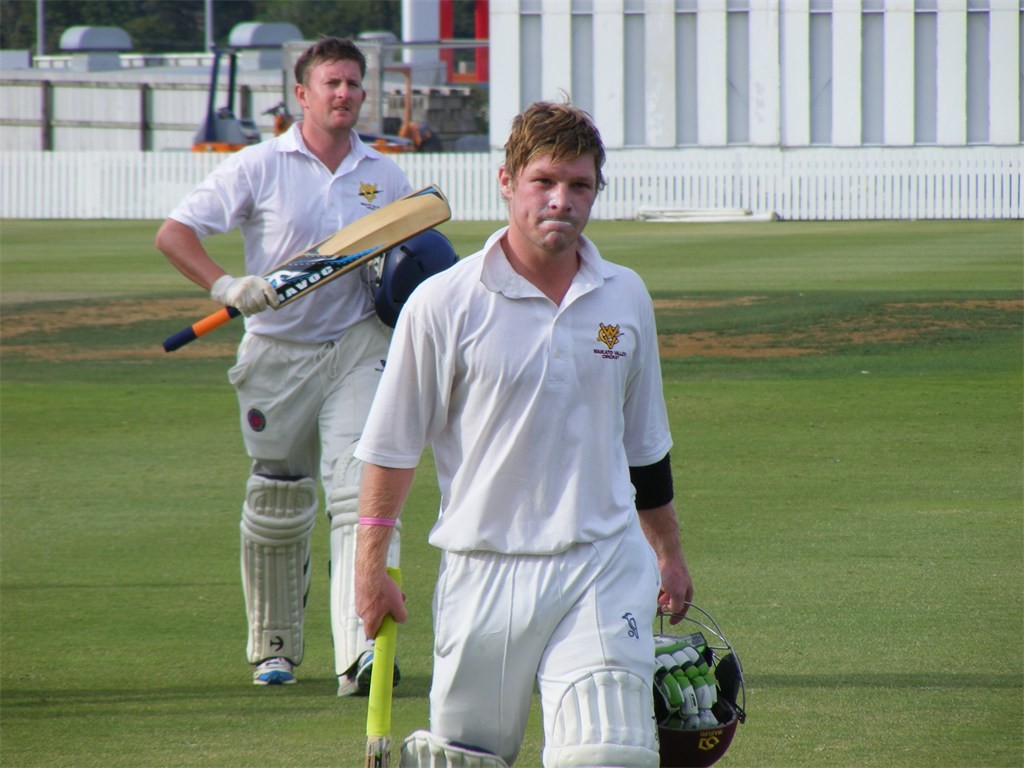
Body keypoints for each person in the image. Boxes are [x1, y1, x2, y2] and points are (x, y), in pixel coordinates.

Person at [353, 100, 694, 767]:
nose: (561, 200)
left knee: (608, 754)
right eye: (544, 181)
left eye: (579, 185)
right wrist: (370, 569)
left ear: (597, 191)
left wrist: (669, 554)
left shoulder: (625, 297)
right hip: (483, 570)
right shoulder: (444, 304)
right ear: (507, 180)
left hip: (600, 561)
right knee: (469, 756)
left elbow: (645, 447)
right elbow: (390, 450)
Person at [154, 37, 409, 694]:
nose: (345, 93)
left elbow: (415, 259)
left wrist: (394, 276)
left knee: (360, 494)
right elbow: (174, 234)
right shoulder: (257, 166)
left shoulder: (386, 174)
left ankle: (361, 651)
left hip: (358, 344)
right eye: (332, 83)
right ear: (302, 94)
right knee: (278, 497)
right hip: (275, 349)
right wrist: (226, 286)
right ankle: (275, 647)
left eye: (354, 83)